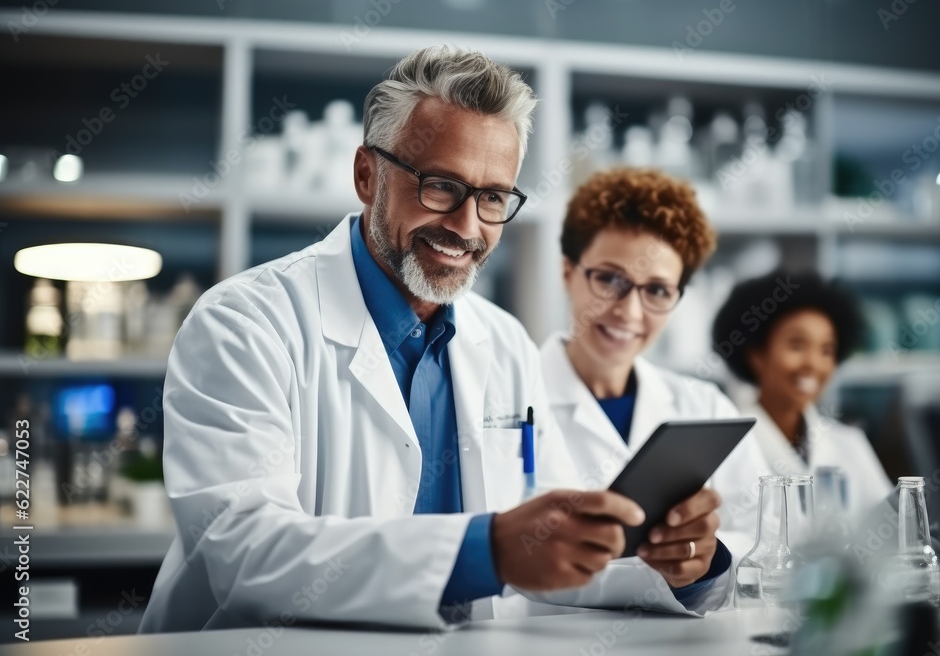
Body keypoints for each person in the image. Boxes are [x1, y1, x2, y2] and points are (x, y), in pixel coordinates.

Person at [139, 46, 730, 634]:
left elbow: (548, 552)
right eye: (441, 186)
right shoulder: (244, 324)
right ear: (367, 176)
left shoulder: (503, 342)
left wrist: (673, 567)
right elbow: (244, 551)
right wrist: (486, 550)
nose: (467, 226)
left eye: (493, 197)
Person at [538, 167, 770, 567]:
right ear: (567, 273)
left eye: (658, 290)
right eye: (611, 279)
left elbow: (772, 535)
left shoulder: (704, 406)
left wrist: (706, 559)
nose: (629, 312)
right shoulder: (511, 397)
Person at [709, 271, 893, 523]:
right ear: (757, 355)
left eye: (826, 350)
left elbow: (890, 533)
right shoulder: (724, 447)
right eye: (797, 345)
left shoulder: (849, 444)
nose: (813, 364)